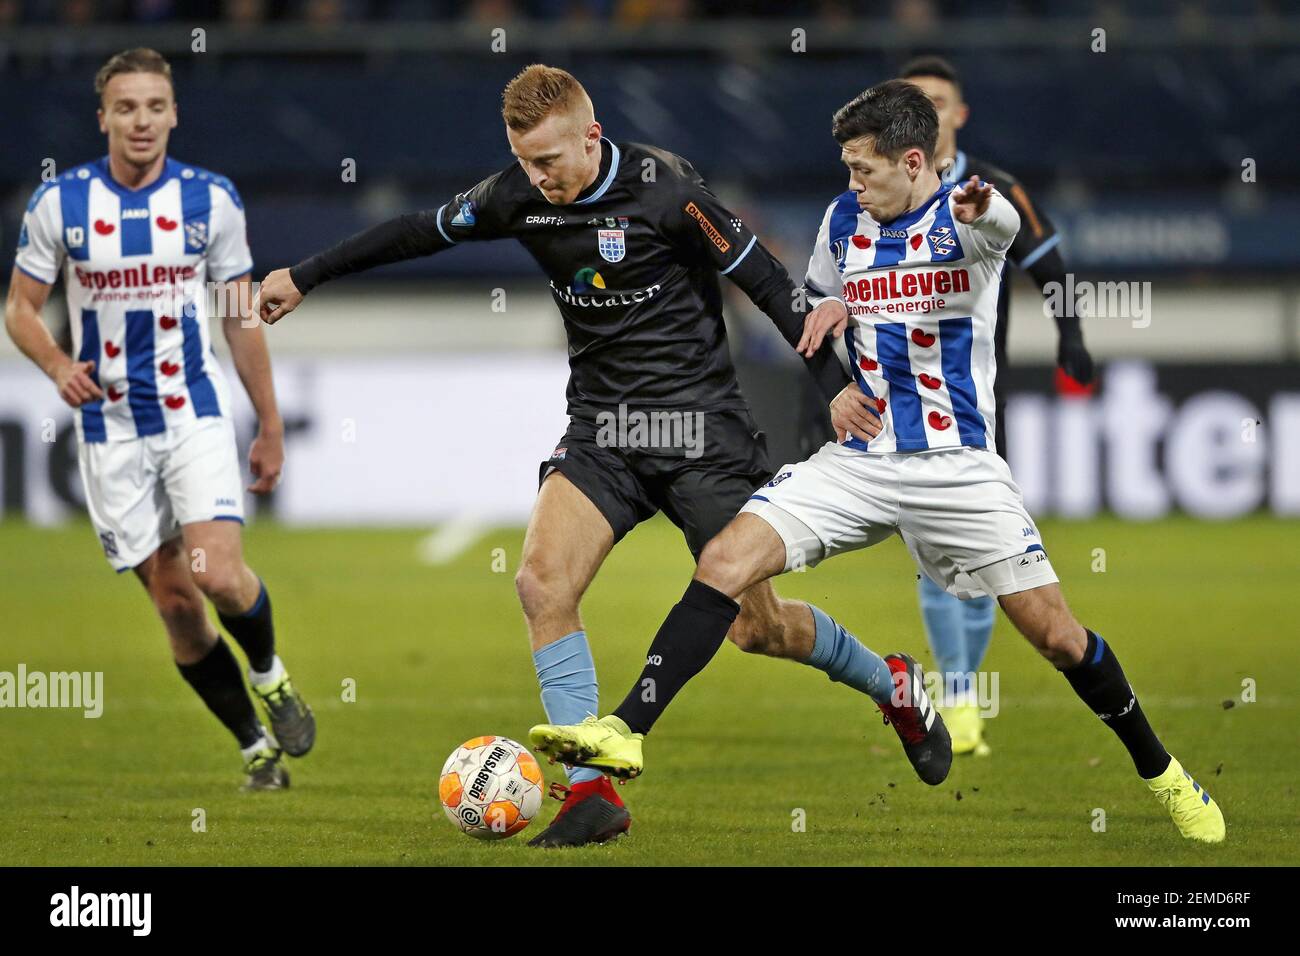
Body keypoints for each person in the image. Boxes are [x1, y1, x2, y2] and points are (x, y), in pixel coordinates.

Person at [529, 80, 1225, 845]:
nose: (851, 183)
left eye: (864, 169)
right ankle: (624, 731)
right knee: (725, 560)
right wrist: (824, 311)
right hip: (860, 461)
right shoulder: (842, 221)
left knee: (1058, 637)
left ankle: (1164, 774)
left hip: (957, 469)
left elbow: (997, 223)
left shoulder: (969, 223)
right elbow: (818, 302)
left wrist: (981, 206)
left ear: (915, 161)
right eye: (848, 168)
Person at [252, 64, 920, 847]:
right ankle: (591, 793)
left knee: (756, 629)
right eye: (524, 162)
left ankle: (892, 684)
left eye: (549, 162)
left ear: (591, 136)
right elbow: (414, 231)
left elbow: (769, 284)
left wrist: (834, 385)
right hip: (604, 430)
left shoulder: (669, 191)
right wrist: (304, 275)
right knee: (541, 582)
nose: (537, 179)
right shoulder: (516, 196)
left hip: (702, 433)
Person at [5, 48, 314, 792]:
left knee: (218, 573)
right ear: (103, 116)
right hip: (111, 429)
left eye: (153, 106)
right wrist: (56, 365)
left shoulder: (212, 201)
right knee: (176, 603)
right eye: (125, 107)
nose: (140, 121)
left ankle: (271, 677)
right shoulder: (61, 204)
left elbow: (240, 318)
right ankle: (254, 751)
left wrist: (268, 422)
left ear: (173, 113)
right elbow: (20, 308)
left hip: (194, 412)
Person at [897, 54, 1096, 756]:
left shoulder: (996, 189)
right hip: (898, 402)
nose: (929, 109)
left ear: (959, 114)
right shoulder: (880, 191)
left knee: (983, 556)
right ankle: (957, 696)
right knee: (928, 552)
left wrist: (1071, 335)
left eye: (939, 100)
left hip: (976, 403)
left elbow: (1048, 262)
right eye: (915, 99)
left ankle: (958, 687)